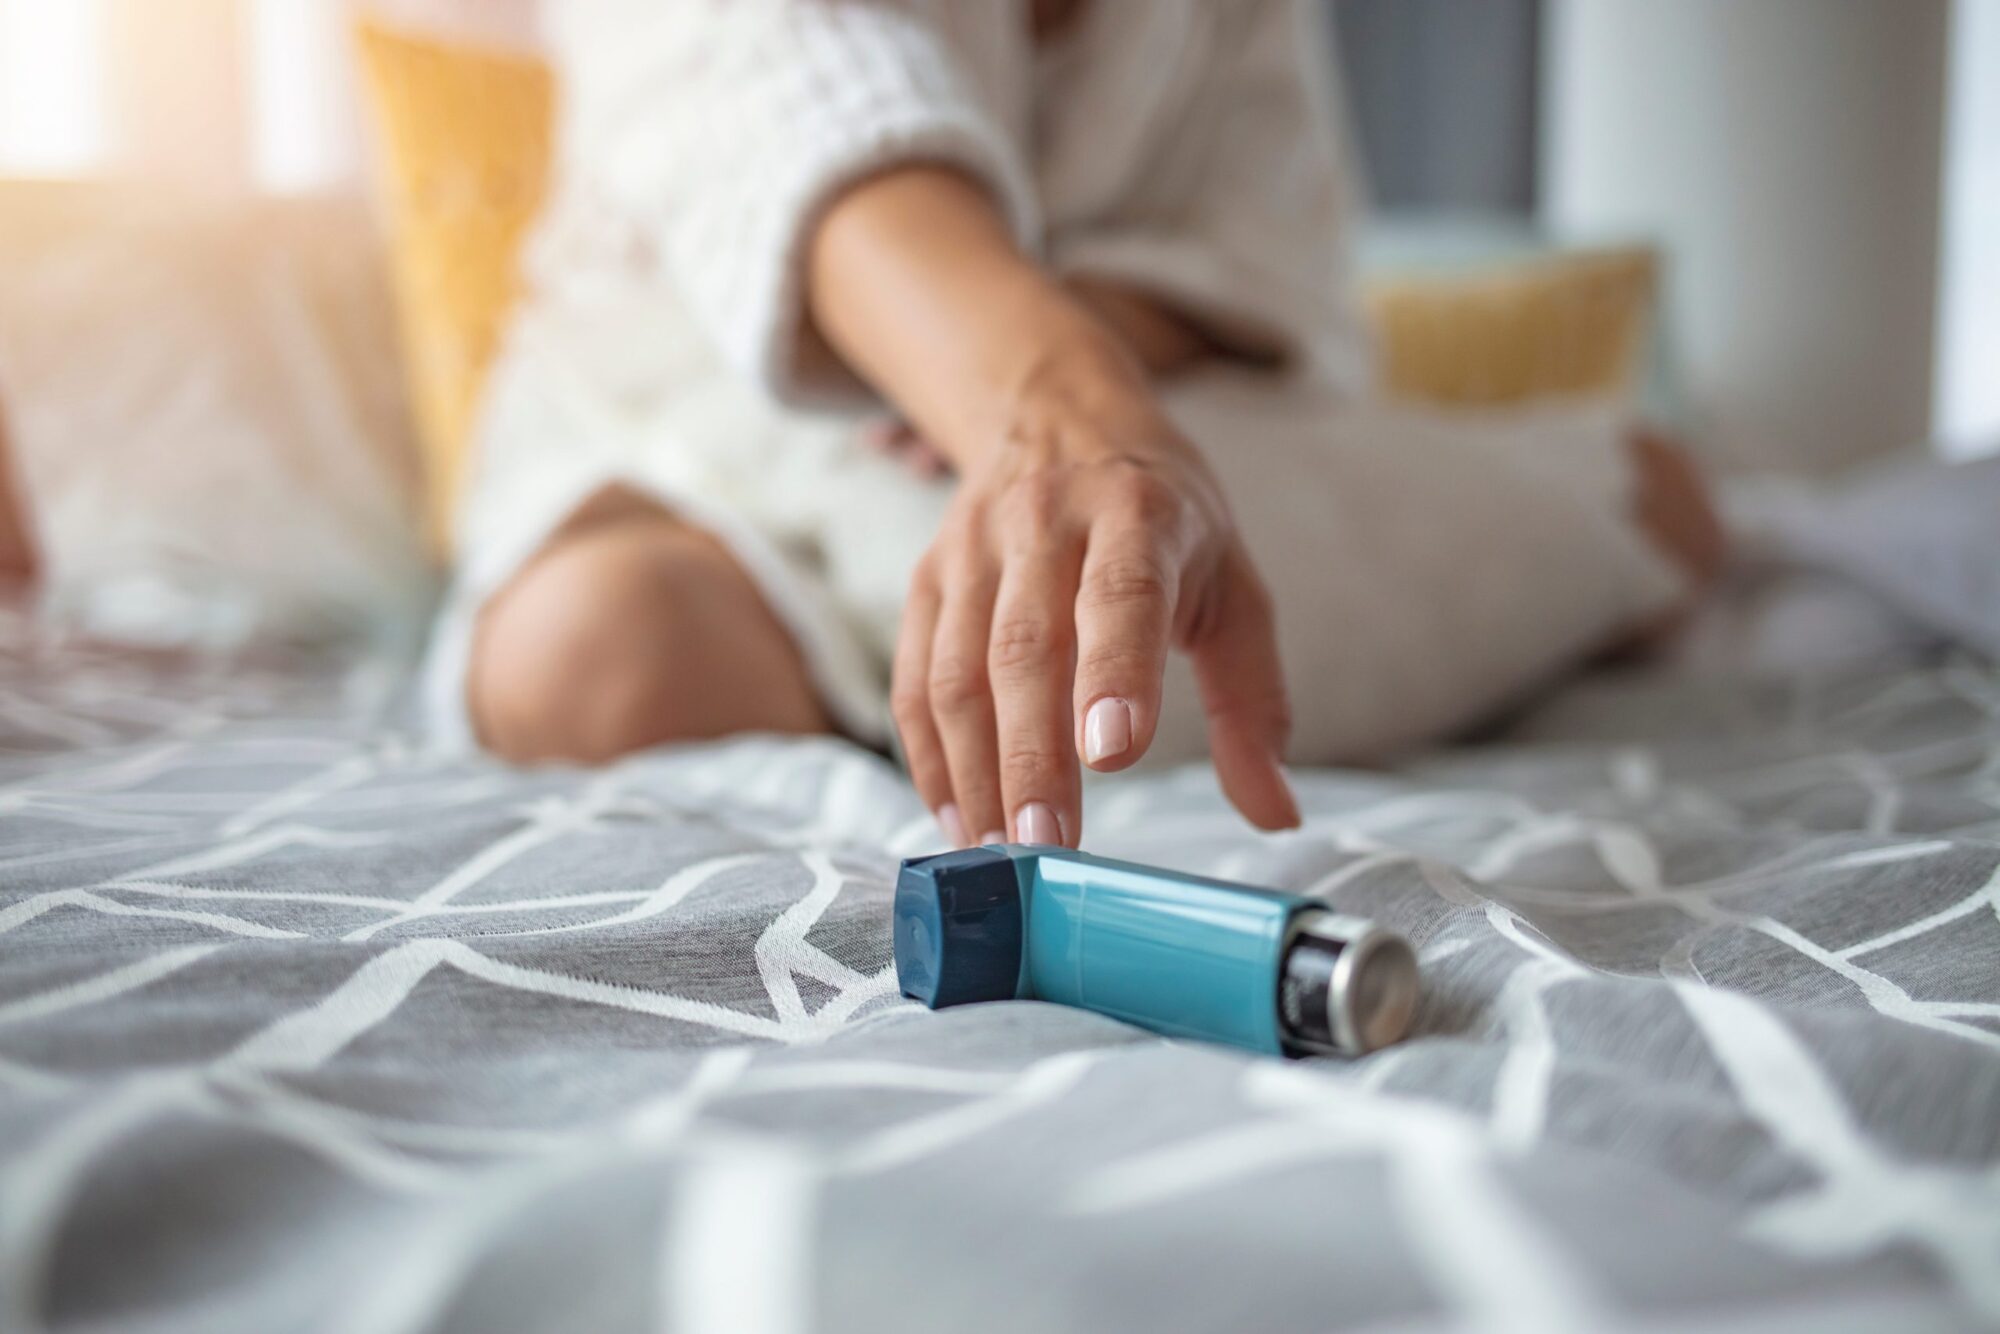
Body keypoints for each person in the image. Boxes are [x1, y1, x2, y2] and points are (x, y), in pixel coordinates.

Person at [428, 0, 1722, 850]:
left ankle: (964, 662)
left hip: (1143, 417)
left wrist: (1091, 352)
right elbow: (802, 116)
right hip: (693, 431)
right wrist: (1047, 399)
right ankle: (912, 688)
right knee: (595, 653)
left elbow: (1272, 264)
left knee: (1645, 502)